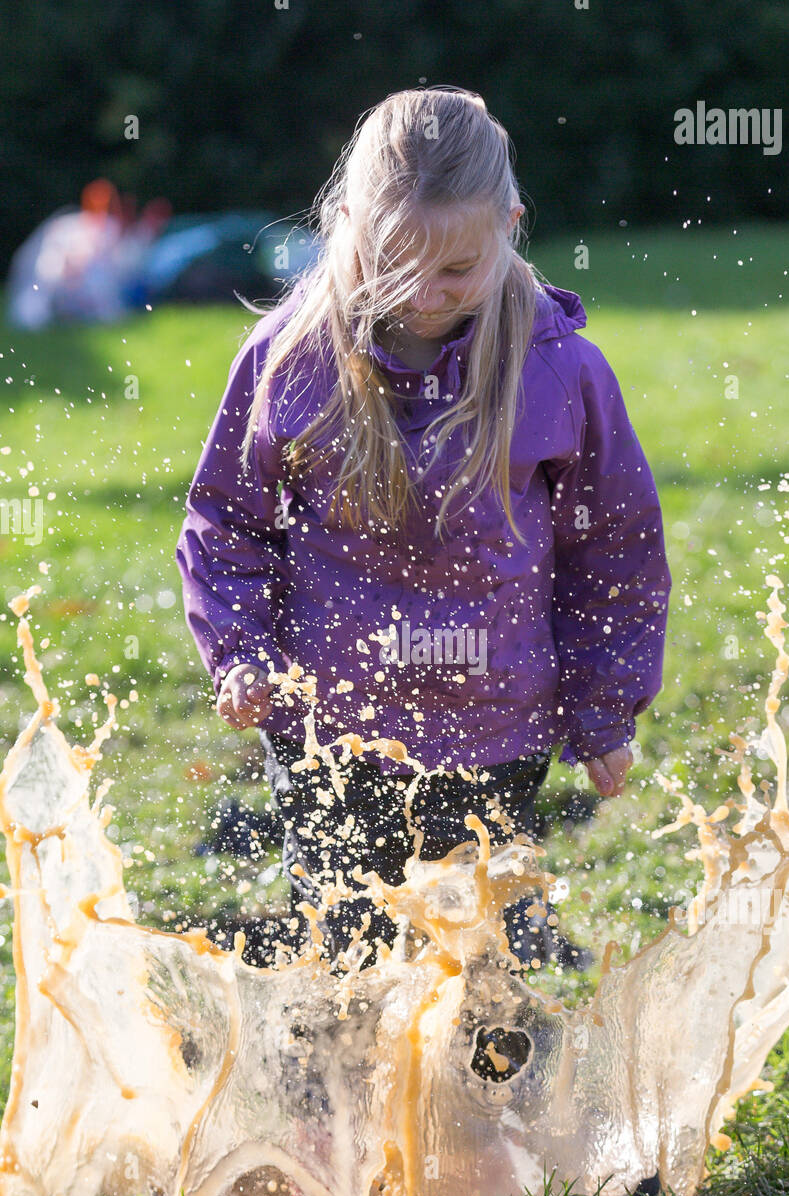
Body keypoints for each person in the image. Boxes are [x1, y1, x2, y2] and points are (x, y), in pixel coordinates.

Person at [176, 86, 672, 970]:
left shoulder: (559, 369)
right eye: (390, 261)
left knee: (480, 967)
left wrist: (604, 705)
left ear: (510, 225)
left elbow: (615, 546)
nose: (420, 294)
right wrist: (241, 651)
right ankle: (328, 1110)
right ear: (341, 223)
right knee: (342, 960)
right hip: (330, 725)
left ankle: (488, 1103)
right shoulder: (290, 360)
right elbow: (228, 521)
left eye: (454, 270)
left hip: (497, 726)